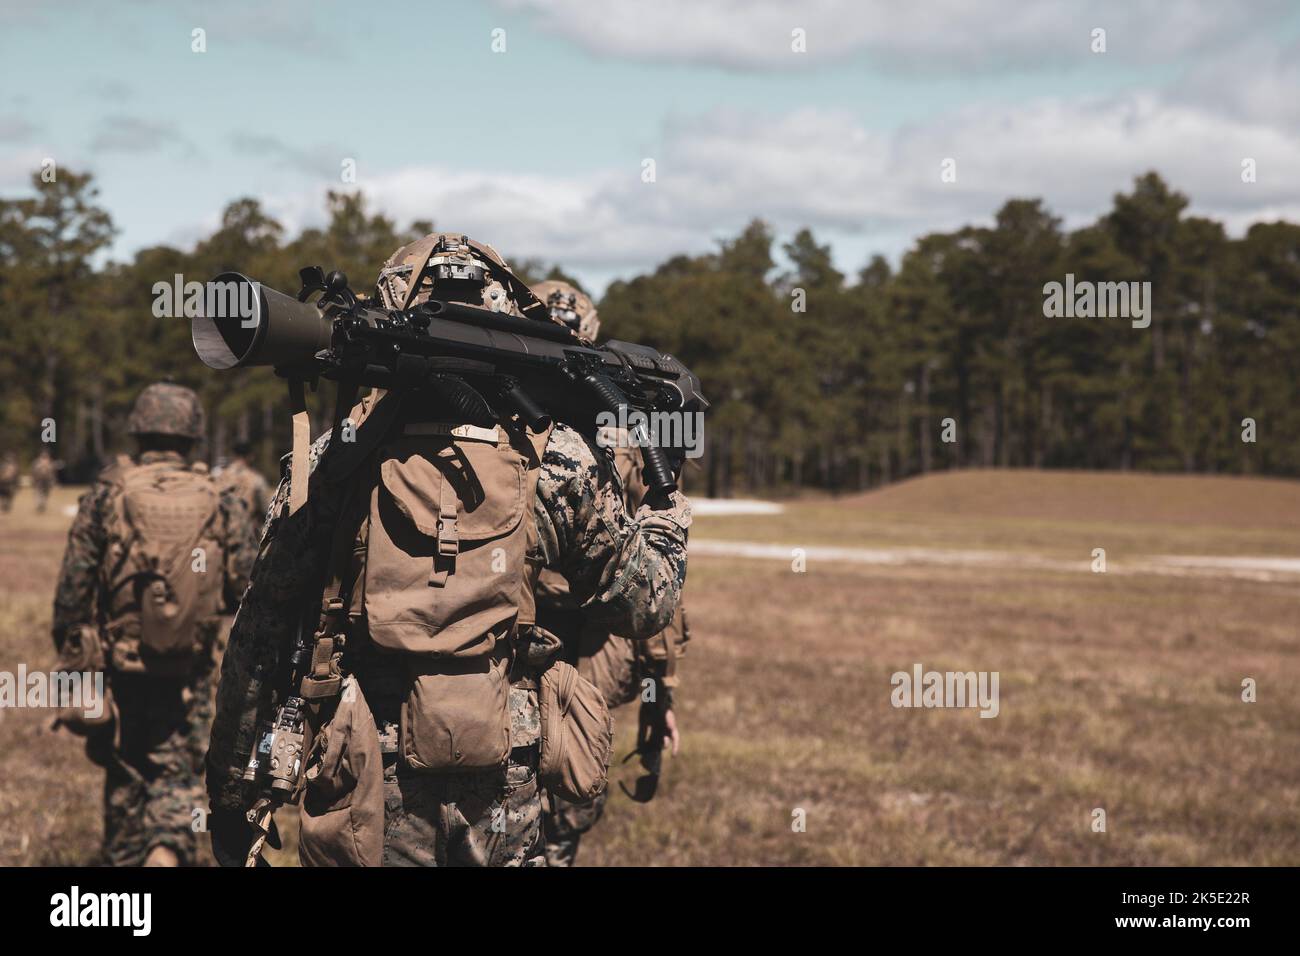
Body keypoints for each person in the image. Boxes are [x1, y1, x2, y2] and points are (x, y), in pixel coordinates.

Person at [205, 233, 692, 867]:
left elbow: (260, 636)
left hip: (361, 781)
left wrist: (232, 793)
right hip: (502, 785)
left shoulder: (334, 460)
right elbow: (644, 603)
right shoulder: (558, 463)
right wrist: (667, 510)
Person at [50, 383, 257, 866]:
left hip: (121, 661)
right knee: (179, 766)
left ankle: (131, 857)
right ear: (192, 438)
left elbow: (72, 591)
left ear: (138, 433)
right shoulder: (221, 497)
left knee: (126, 765)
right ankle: (167, 848)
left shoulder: (108, 493)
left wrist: (74, 654)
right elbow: (244, 586)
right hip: (192, 661)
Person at [531, 280, 691, 867]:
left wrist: (660, 689)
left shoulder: (629, 430)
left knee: (571, 787)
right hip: (515, 624)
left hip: (598, 631)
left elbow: (658, 571)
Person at [216, 440, 271, 528]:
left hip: (223, 529)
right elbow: (266, 509)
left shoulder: (220, 477)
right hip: (246, 531)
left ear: (234, 455)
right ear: (250, 456)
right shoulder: (256, 479)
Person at [31, 448, 59, 513]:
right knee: (39, 493)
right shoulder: (37, 464)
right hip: (39, 481)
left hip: (46, 482)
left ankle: (42, 504)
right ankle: (40, 504)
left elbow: (53, 474)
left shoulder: (50, 464)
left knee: (45, 494)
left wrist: (53, 481)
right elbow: (34, 472)